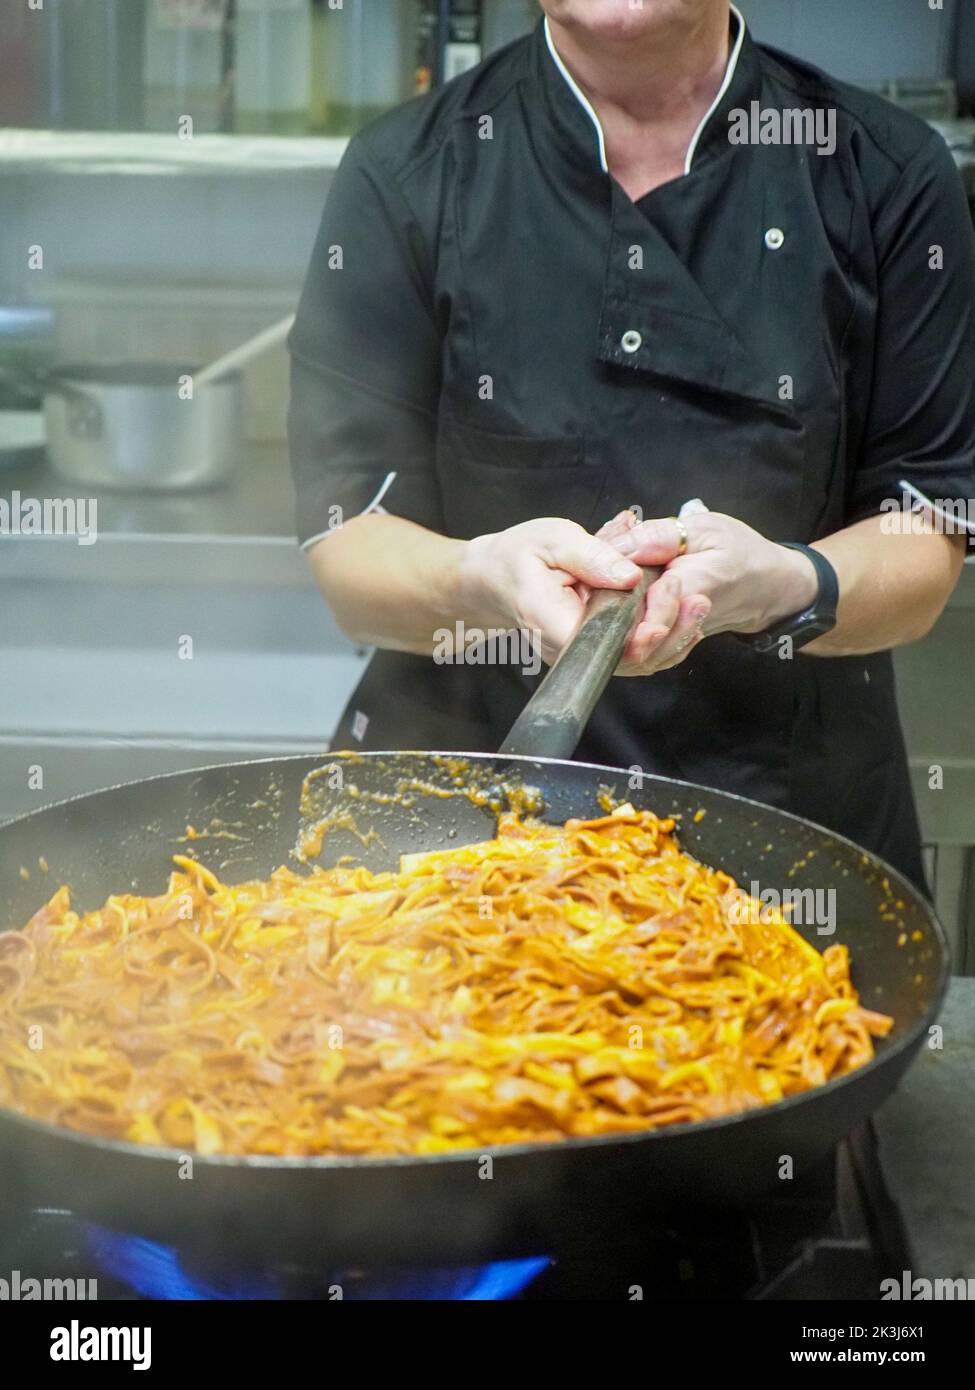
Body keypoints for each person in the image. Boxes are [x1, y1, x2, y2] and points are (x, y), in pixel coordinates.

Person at [288, 0, 975, 892]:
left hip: (783, 846)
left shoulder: (883, 171)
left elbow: (924, 538)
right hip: (456, 844)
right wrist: (480, 582)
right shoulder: (407, 171)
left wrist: (781, 586)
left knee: (801, 1029)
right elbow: (351, 548)